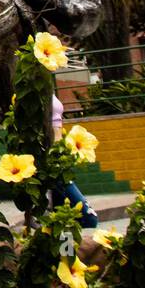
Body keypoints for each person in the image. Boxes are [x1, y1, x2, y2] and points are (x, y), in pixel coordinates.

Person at [51, 93, 99, 227]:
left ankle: (66, 248)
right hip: (51, 164)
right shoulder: (31, 83)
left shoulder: (46, 82)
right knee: (88, 218)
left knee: (62, 223)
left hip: (59, 161)